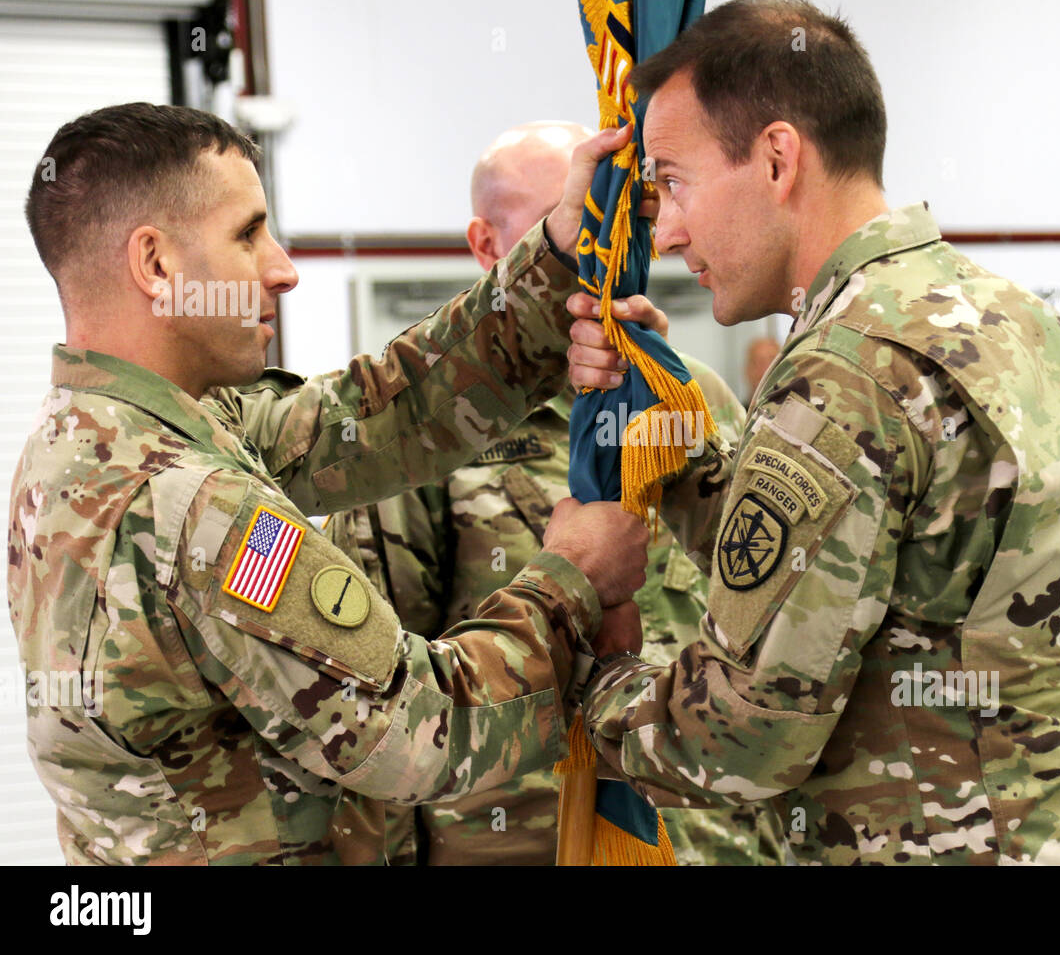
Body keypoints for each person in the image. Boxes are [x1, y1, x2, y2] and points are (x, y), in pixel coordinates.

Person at [567, 0, 1060, 865]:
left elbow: (741, 742)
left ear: (778, 158)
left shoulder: (844, 374)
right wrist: (662, 436)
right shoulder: (1014, 317)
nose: (665, 231)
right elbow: (875, 575)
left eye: (673, 182)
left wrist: (589, 679)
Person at [7, 102, 657, 865]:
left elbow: (379, 414)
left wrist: (553, 256)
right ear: (157, 265)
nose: (282, 269)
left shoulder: (83, 439)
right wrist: (572, 578)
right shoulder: (190, 505)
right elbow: (419, 732)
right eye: (248, 234)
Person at [326, 121, 786, 865]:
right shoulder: (430, 435)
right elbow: (379, 689)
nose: (595, 255)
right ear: (486, 245)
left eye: (611, 223)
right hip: (515, 839)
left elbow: (758, 607)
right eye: (567, 226)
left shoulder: (689, 397)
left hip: (693, 835)